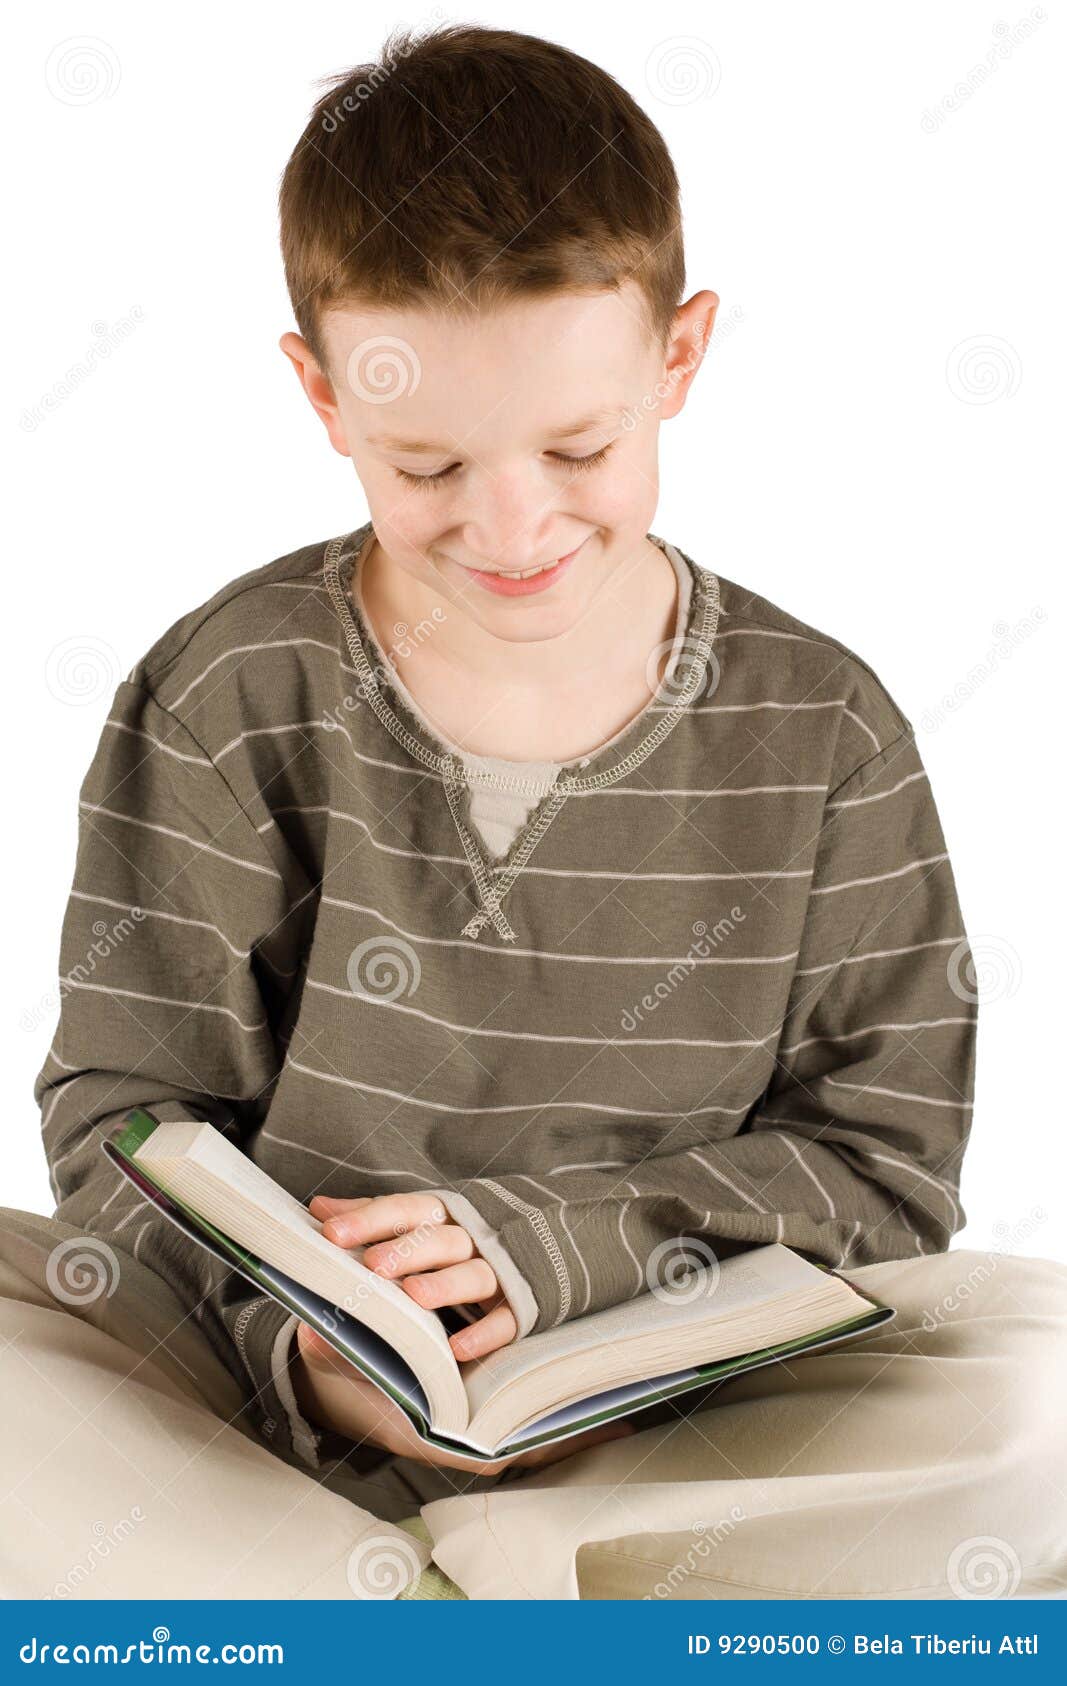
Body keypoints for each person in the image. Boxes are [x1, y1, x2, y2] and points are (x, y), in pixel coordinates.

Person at [4, 24, 1064, 1602]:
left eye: (580, 446)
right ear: (319, 392)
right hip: (259, 1410)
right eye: (426, 462)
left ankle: (417, 1582)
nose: (512, 525)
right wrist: (309, 1352)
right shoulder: (226, 694)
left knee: (1040, 1387)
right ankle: (469, 1573)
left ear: (679, 359)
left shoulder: (825, 727)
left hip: (695, 1422)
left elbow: (890, 1167)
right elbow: (124, 1125)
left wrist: (549, 1251)